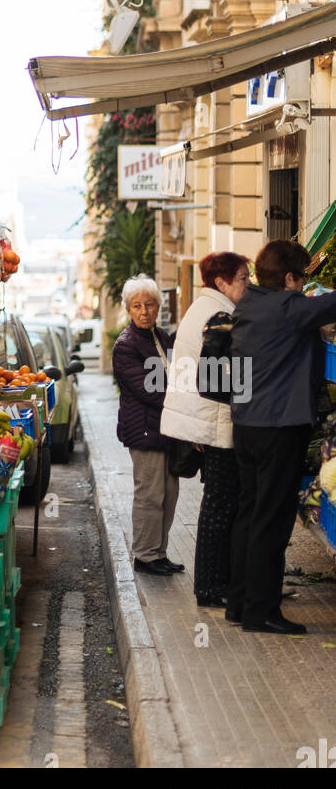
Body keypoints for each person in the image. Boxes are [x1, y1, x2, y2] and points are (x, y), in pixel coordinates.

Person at [227, 239, 336, 635]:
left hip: (246, 427)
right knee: (272, 523)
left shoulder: (250, 303)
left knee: (249, 513)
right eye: (302, 277)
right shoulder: (288, 309)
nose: (305, 284)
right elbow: (328, 305)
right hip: (277, 428)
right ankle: (261, 612)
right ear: (289, 277)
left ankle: (239, 603)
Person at [160, 252, 250, 607]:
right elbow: (215, 378)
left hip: (203, 419)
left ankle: (214, 584)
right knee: (219, 505)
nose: (248, 284)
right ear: (222, 282)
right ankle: (211, 588)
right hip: (213, 419)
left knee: (217, 504)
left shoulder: (202, 308)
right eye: (242, 278)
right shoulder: (218, 316)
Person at [112, 274, 182, 577]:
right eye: (137, 306)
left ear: (158, 307)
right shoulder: (126, 345)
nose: (144, 311)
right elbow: (149, 389)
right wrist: (182, 401)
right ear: (129, 309)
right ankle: (144, 555)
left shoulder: (161, 336)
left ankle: (159, 552)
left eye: (149, 305)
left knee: (168, 493)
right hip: (144, 430)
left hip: (166, 429)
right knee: (150, 494)